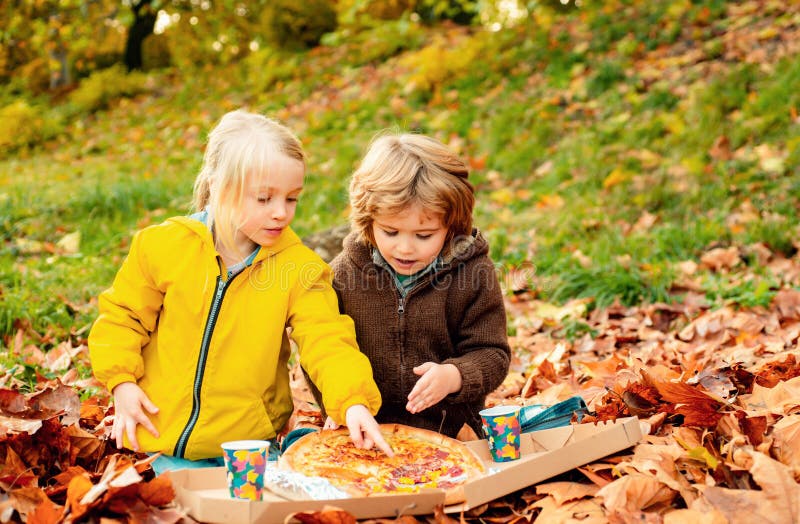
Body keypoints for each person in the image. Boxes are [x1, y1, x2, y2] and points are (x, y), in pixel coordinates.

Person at [88, 109, 392, 474]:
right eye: (264, 199)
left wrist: (353, 401)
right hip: (157, 439)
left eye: (292, 198)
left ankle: (296, 446)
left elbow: (327, 340)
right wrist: (121, 383)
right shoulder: (162, 246)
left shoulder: (299, 268)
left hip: (247, 446)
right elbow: (123, 318)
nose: (281, 212)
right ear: (218, 187)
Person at [325, 132, 511, 439]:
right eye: (390, 232)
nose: (405, 248)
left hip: (449, 431)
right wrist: (339, 403)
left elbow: (492, 353)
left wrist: (454, 376)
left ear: (452, 225)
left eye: (423, 235)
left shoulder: (473, 273)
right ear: (367, 220)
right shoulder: (343, 275)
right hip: (366, 433)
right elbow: (325, 351)